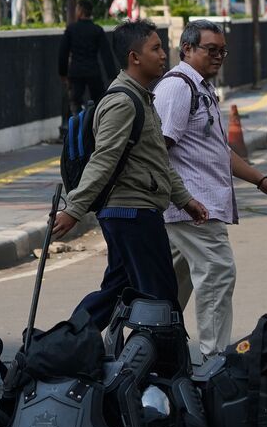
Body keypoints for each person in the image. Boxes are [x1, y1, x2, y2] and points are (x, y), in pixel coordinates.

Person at [52, 20, 208, 329]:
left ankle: (68, 343)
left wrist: (184, 199)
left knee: (117, 292)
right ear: (134, 57)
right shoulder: (123, 101)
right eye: (156, 48)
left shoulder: (142, 98)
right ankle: (162, 366)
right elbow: (103, 159)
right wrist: (74, 209)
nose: (164, 54)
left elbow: (157, 160)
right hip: (132, 212)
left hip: (135, 210)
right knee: (160, 296)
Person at [155, 20, 267, 358]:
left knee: (168, 287)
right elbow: (157, 149)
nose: (218, 57)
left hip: (192, 207)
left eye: (222, 51)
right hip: (193, 208)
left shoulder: (201, 89)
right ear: (186, 49)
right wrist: (182, 199)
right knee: (217, 272)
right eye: (210, 50)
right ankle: (213, 358)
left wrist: (261, 180)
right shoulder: (177, 88)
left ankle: (151, 351)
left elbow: (219, 151)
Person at [58, 0, 116, 112]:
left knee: (75, 102)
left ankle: (77, 126)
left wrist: (63, 73)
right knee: (99, 102)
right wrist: (112, 75)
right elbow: (106, 54)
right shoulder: (97, 30)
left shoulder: (71, 29)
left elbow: (63, 52)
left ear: (80, 11)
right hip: (93, 71)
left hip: (76, 71)